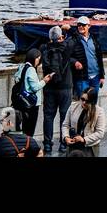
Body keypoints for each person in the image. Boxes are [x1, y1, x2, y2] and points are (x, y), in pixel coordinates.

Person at [39, 25, 72, 154]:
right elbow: (75, 38)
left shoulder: (43, 48)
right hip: (65, 87)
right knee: (64, 117)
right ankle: (63, 144)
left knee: (48, 116)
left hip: (49, 87)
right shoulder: (67, 47)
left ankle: (47, 145)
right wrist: (67, 29)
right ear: (61, 37)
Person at [65, 16, 105, 99]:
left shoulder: (94, 39)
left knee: (93, 103)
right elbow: (66, 56)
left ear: (89, 26)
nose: (80, 27)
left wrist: (102, 76)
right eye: (79, 25)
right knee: (83, 103)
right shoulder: (73, 40)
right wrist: (74, 62)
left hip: (96, 77)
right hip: (82, 78)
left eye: (83, 25)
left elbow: (99, 58)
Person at [11, 48, 44, 141]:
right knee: (30, 128)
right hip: (31, 104)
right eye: (38, 58)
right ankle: (27, 146)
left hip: (22, 101)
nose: (39, 60)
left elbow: (17, 79)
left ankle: (23, 145)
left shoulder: (22, 67)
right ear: (35, 58)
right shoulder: (31, 70)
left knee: (24, 125)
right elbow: (35, 87)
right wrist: (44, 81)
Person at [63, 86, 105, 156]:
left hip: (89, 147)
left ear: (93, 101)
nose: (84, 102)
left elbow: (100, 133)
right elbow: (65, 125)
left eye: (87, 101)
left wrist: (84, 139)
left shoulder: (99, 111)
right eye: (82, 99)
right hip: (73, 144)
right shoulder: (73, 106)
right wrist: (66, 137)